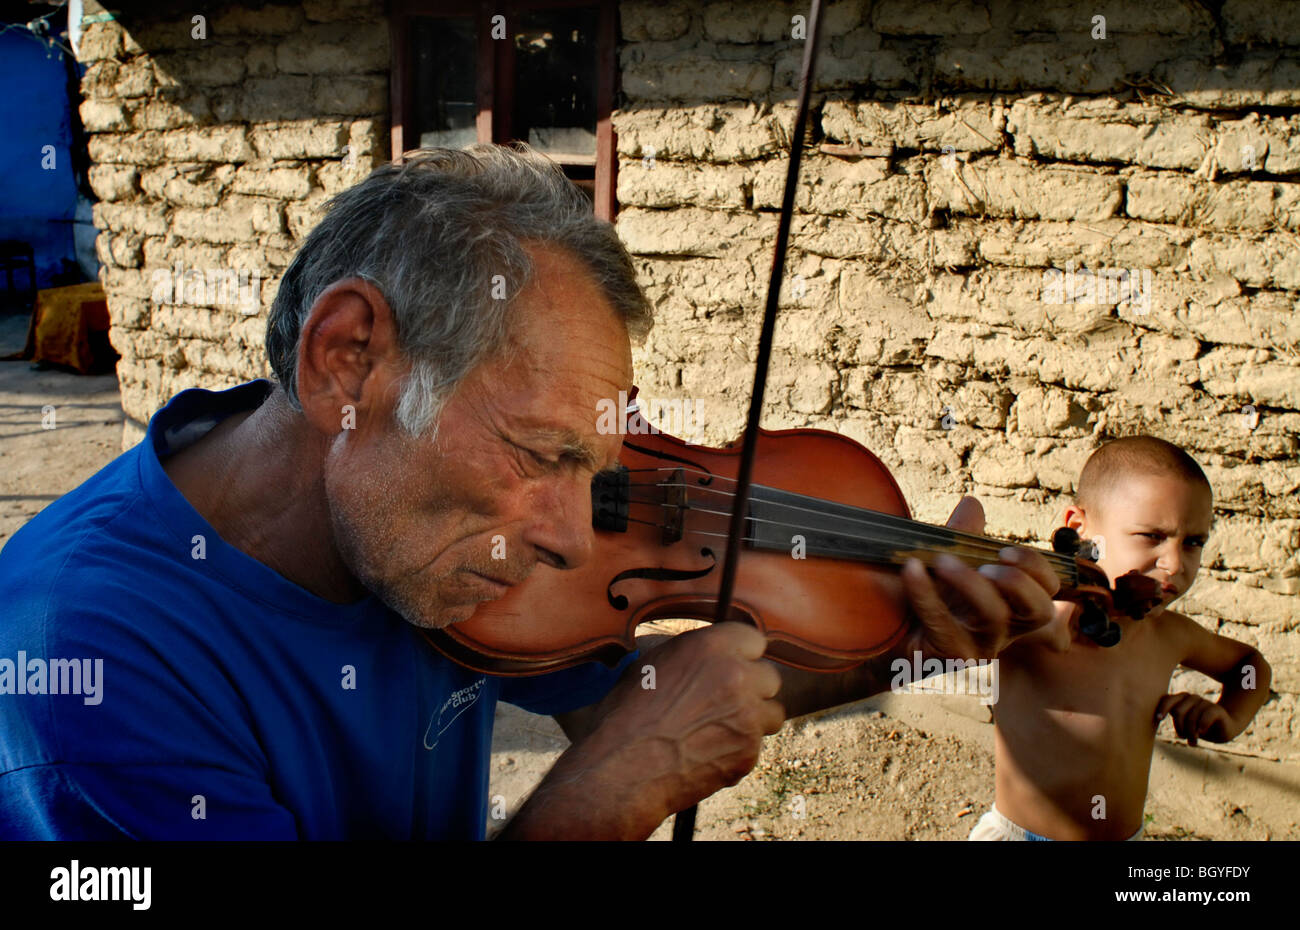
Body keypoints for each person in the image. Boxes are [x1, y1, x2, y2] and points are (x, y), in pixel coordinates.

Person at [0, 145, 1061, 840]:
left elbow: (636, 698)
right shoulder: (85, 662)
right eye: (538, 452)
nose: (569, 537)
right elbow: (632, 745)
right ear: (346, 362)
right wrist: (611, 794)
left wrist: (900, 642)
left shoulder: (415, 539)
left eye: (591, 469)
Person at [971, 436, 1271, 841]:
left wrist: (1230, 717)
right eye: (1151, 536)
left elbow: (1248, 667)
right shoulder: (1030, 624)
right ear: (1078, 531)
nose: (1174, 564)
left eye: (1193, 542)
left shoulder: (1170, 635)